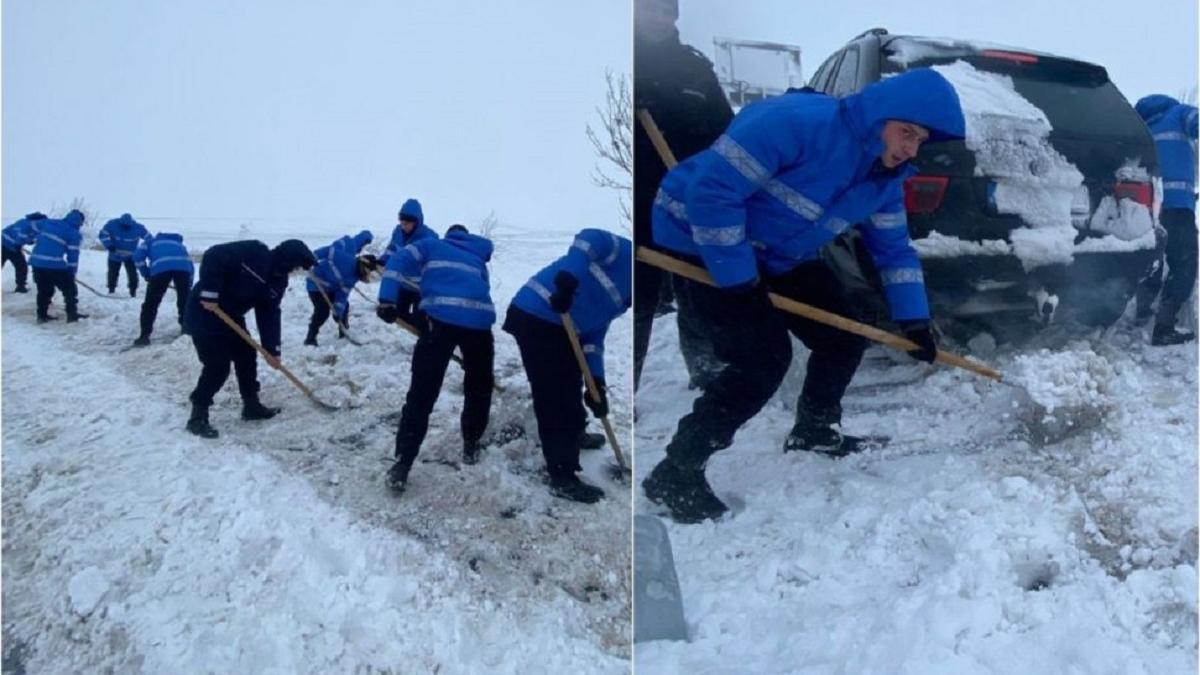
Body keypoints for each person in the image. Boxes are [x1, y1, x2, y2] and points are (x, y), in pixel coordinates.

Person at [642, 69, 966, 523]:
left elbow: (894, 251)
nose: (911, 148)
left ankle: (816, 429)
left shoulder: (885, 180)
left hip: (779, 253)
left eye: (920, 139)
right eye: (906, 132)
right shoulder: (793, 122)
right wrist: (737, 281)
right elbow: (713, 194)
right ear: (878, 117)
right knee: (761, 360)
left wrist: (913, 320)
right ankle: (676, 472)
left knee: (844, 336)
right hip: (701, 242)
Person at [633, 0, 733, 392]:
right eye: (651, 9)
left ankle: (705, 368)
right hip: (635, 201)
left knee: (695, 285)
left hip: (684, 199)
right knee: (639, 296)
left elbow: (724, 132)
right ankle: (630, 380)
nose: (660, 18)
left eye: (667, 11)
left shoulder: (695, 67)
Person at [504, 228, 632, 504]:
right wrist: (567, 283)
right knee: (555, 396)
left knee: (570, 383)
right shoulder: (625, 253)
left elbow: (594, 339)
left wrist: (596, 383)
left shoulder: (624, 299)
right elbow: (589, 238)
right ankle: (562, 474)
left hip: (563, 327)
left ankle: (574, 433)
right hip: (535, 315)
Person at [376, 224, 495, 493]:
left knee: (422, 394)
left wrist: (387, 300)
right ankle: (471, 446)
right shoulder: (478, 258)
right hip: (480, 326)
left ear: (449, 235)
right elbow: (480, 289)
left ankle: (402, 464)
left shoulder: (432, 245)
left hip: (438, 322)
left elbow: (397, 260)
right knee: (479, 388)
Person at [182, 239, 316, 438]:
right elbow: (214, 255)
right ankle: (198, 415)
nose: (294, 270)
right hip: (205, 311)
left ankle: (251, 406)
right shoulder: (254, 252)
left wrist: (272, 350)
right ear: (287, 259)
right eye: (295, 265)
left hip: (232, 316)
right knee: (217, 365)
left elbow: (269, 313)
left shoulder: (278, 281)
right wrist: (210, 293)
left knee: (246, 356)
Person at [1133, 94, 1198, 346]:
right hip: (1179, 208)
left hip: (1150, 208)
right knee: (1184, 265)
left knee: (1154, 260)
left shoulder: (1144, 127)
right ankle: (1164, 327)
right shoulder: (1180, 113)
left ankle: (1142, 311)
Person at [304, 236, 379, 346]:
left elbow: (343, 293)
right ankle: (310, 338)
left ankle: (344, 331)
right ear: (363, 266)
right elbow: (328, 251)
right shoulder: (345, 259)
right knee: (322, 310)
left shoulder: (354, 277)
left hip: (332, 289)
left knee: (344, 307)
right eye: (367, 272)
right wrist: (311, 257)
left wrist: (338, 310)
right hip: (316, 285)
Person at [131, 232, 194, 347]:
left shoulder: (151, 241)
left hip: (160, 270)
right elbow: (190, 265)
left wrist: (146, 273)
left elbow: (137, 257)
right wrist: (188, 285)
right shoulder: (180, 245)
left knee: (151, 303)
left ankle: (144, 336)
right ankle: (187, 331)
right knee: (185, 302)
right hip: (183, 270)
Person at [29, 209, 87, 323]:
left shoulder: (49, 222)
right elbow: (73, 255)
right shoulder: (73, 233)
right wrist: (71, 272)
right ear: (79, 222)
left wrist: (31, 217)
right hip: (54, 265)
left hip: (36, 263)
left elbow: (32, 225)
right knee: (70, 289)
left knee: (44, 290)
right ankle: (72, 314)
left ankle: (41, 315)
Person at [98, 213, 149, 297]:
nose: (126, 227)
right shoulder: (112, 224)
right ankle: (111, 290)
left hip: (131, 256)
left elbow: (149, 238)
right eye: (124, 226)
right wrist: (108, 245)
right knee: (112, 273)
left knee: (132, 274)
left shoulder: (138, 228)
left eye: (127, 226)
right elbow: (102, 235)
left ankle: (133, 292)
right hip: (115, 255)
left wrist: (142, 249)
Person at [378, 199, 437, 267]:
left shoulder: (429, 238)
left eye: (406, 224)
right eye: (401, 222)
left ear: (416, 222)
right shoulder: (398, 232)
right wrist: (382, 262)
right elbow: (391, 250)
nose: (403, 227)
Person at [2, 212, 47, 293]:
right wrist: (21, 243)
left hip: (9, 244)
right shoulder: (28, 224)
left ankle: (21, 286)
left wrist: (30, 241)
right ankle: (20, 286)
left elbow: (28, 236)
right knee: (21, 266)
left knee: (21, 266)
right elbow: (22, 236)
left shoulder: (27, 223)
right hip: (8, 245)